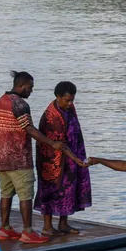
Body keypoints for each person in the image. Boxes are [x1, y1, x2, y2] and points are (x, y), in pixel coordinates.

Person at [0, 71, 82, 244]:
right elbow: (30, 129)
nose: (31, 91)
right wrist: (52, 143)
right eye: (30, 87)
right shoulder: (19, 104)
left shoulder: (0, 102)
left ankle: (5, 229)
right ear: (21, 85)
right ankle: (28, 231)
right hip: (19, 158)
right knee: (25, 195)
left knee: (6, 194)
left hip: (1, 157)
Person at [34, 81, 92, 236]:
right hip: (52, 161)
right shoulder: (52, 116)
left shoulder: (69, 108)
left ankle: (63, 224)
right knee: (51, 191)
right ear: (57, 97)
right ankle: (47, 226)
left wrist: (77, 157)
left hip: (70, 158)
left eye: (72, 100)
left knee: (68, 191)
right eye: (67, 100)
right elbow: (59, 145)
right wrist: (75, 158)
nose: (70, 103)